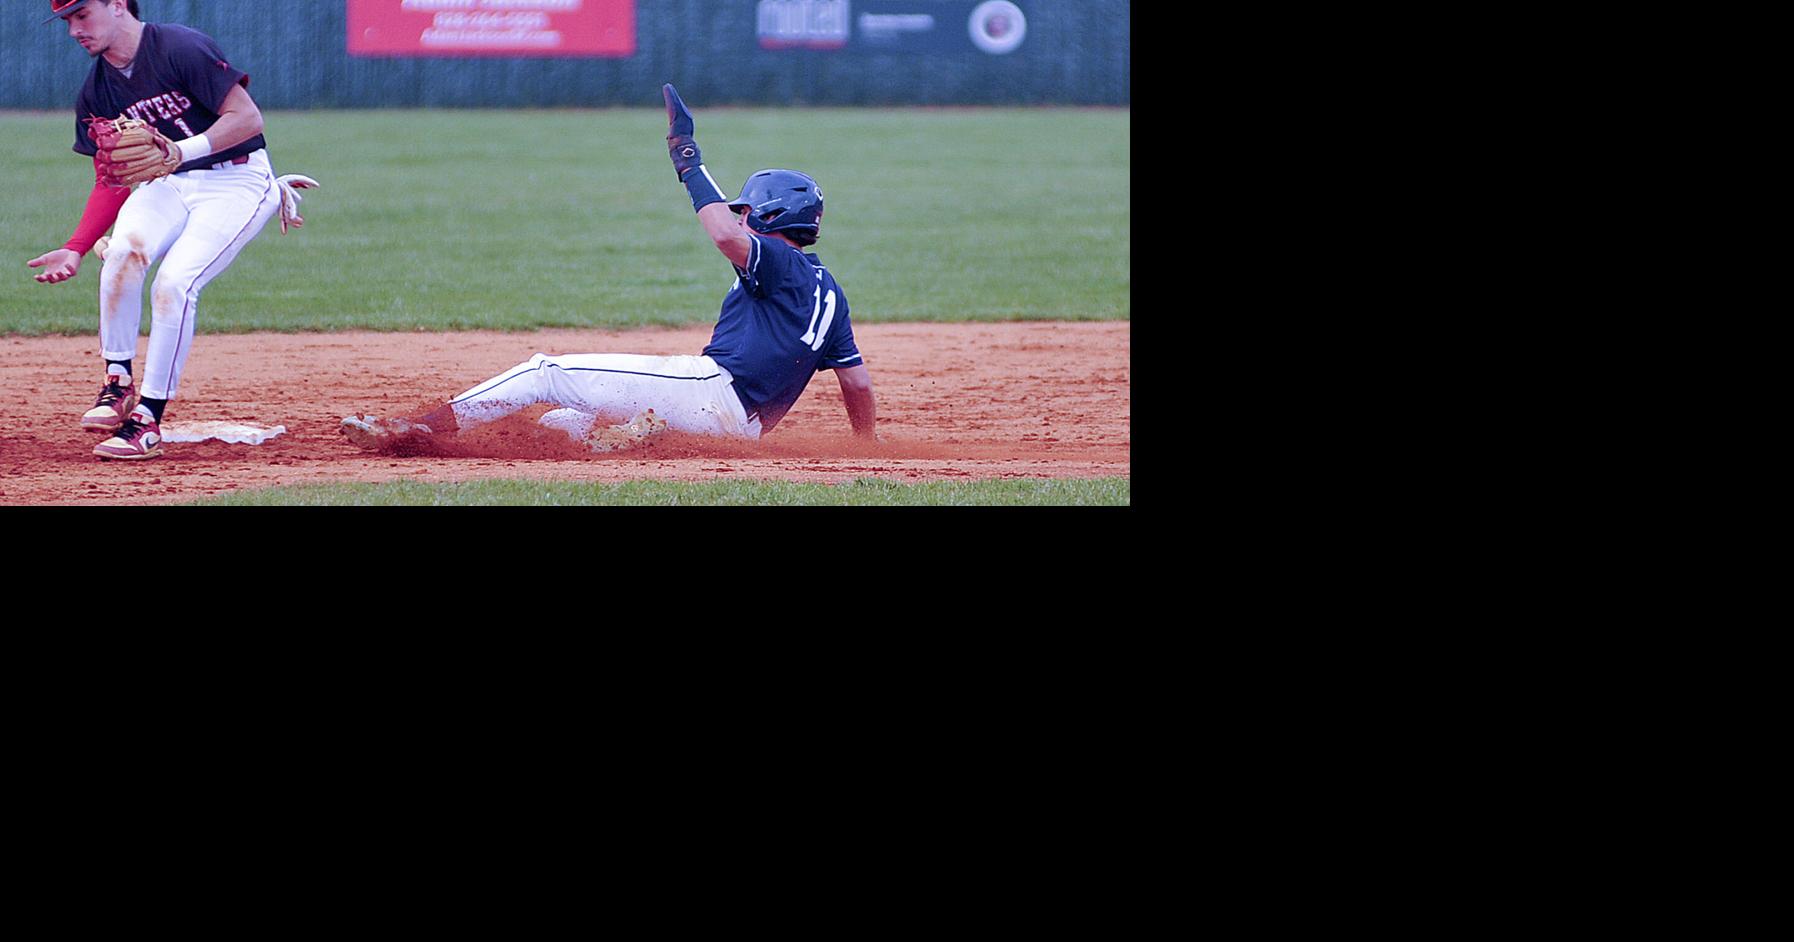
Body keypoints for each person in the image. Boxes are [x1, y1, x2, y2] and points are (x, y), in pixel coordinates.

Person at [340, 84, 878, 454]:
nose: (741, 217)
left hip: (710, 393)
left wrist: (688, 159)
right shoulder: (831, 293)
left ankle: (412, 430)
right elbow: (855, 382)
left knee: (544, 373)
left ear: (772, 216)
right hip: (740, 430)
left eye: (748, 210)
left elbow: (723, 235)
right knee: (561, 423)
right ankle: (632, 436)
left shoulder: (779, 259)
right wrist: (866, 444)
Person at [27, 0, 285, 461]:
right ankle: (118, 379)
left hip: (236, 179)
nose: (74, 30)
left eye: (82, 15)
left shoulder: (180, 47)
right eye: (67, 20)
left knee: (174, 283)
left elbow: (247, 119)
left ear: (118, 6)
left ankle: (146, 420)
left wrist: (180, 153)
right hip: (166, 183)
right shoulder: (97, 90)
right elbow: (112, 178)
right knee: (125, 251)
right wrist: (76, 247)